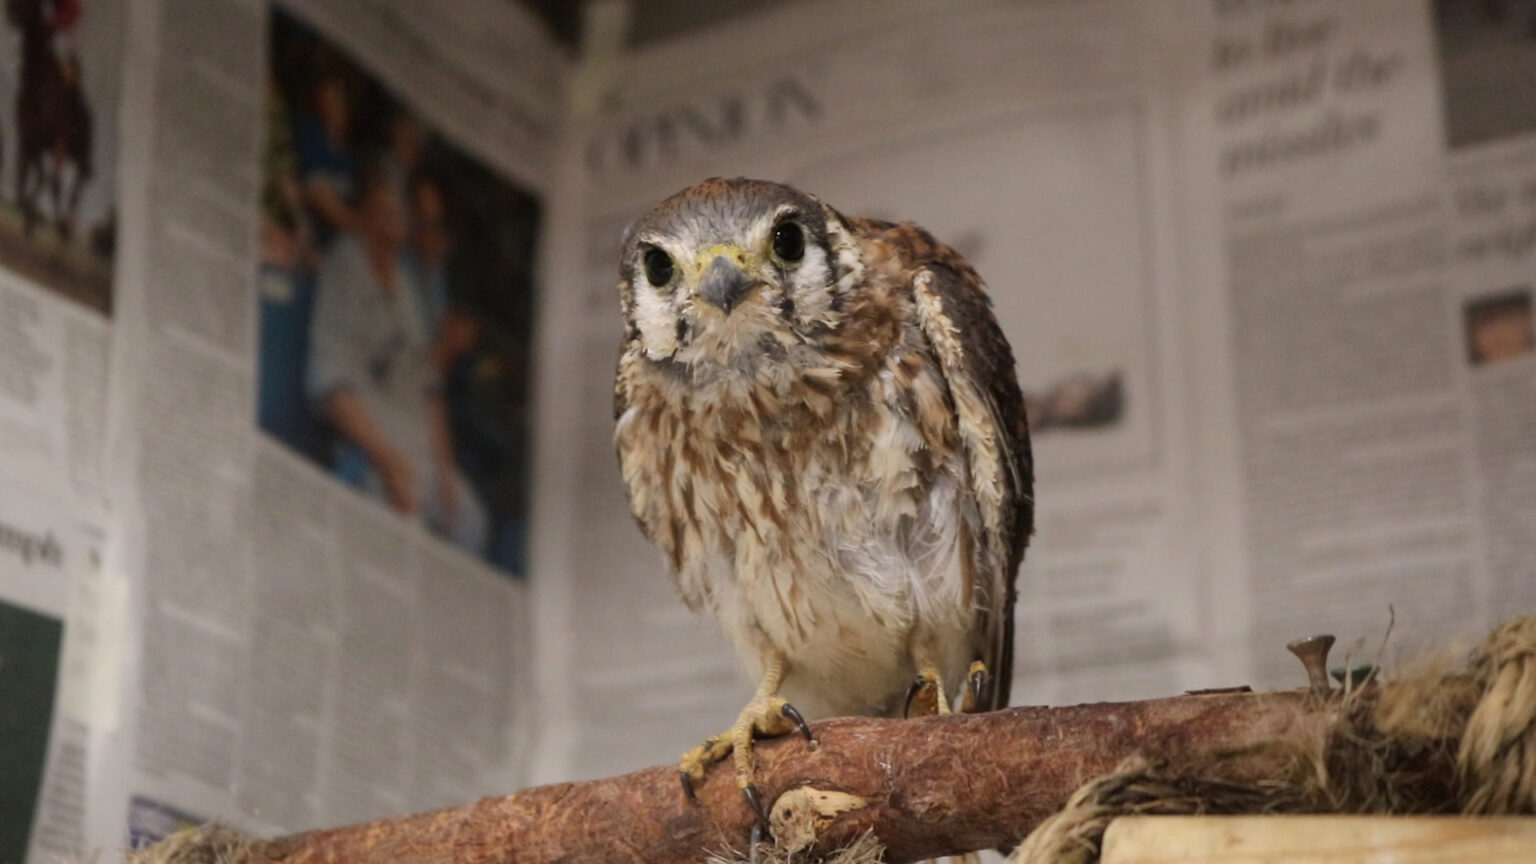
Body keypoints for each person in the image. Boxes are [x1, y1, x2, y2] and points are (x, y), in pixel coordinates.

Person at [307, 161, 487, 552]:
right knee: (399, 531)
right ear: (365, 210)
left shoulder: (405, 281)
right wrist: (387, 460)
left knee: (472, 524)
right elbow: (333, 383)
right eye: (383, 206)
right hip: (373, 444)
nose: (392, 217)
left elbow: (428, 385)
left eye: (397, 208)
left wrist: (443, 469)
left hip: (418, 450)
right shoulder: (346, 262)